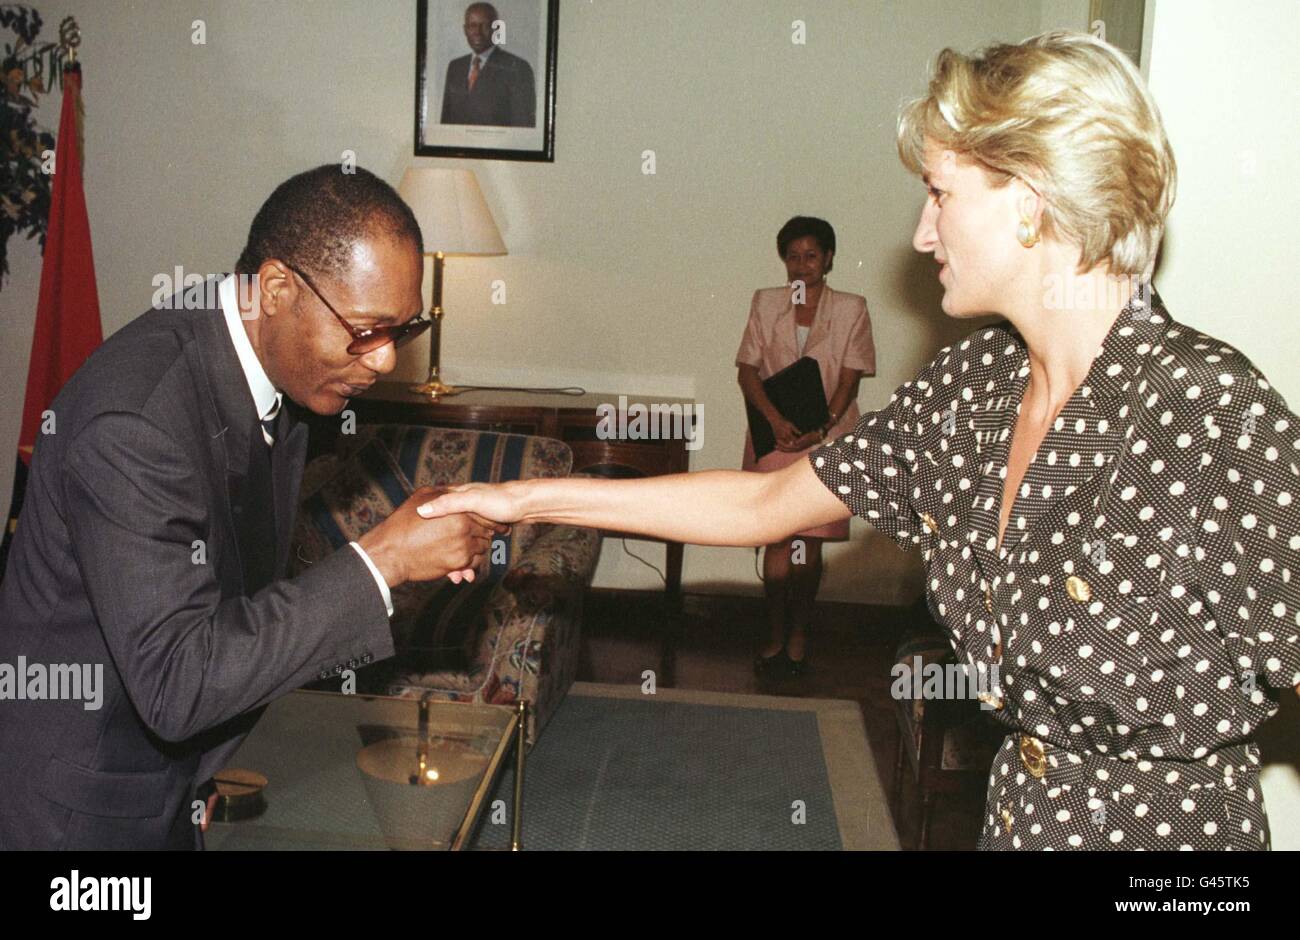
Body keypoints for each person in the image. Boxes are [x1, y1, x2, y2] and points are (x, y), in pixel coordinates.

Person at [416, 32, 1300, 850]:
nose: (921, 233)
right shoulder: (974, 390)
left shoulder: (1208, 415)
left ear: (1029, 203)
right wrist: (518, 499)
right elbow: (766, 500)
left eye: (941, 195)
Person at [0, 165, 499, 850]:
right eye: (365, 331)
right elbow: (176, 681)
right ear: (276, 288)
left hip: (174, 781)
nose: (384, 362)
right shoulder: (135, 422)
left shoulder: (273, 363)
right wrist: (382, 561)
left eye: (401, 332)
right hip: (79, 809)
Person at [736, 217, 875, 676]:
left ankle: (799, 635)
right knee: (776, 539)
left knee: (808, 545)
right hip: (774, 435)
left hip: (825, 438)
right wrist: (776, 423)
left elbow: (851, 377)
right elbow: (748, 372)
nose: (801, 265)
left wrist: (822, 426)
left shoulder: (852, 308)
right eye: (793, 256)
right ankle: (773, 634)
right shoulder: (765, 302)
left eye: (811, 255)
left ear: (829, 257)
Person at [440, 2, 536, 127]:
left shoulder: (517, 68)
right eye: (472, 25)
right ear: (465, 30)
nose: (477, 32)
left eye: (484, 25)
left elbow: (523, 129)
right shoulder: (455, 67)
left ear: (496, 29)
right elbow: (446, 125)